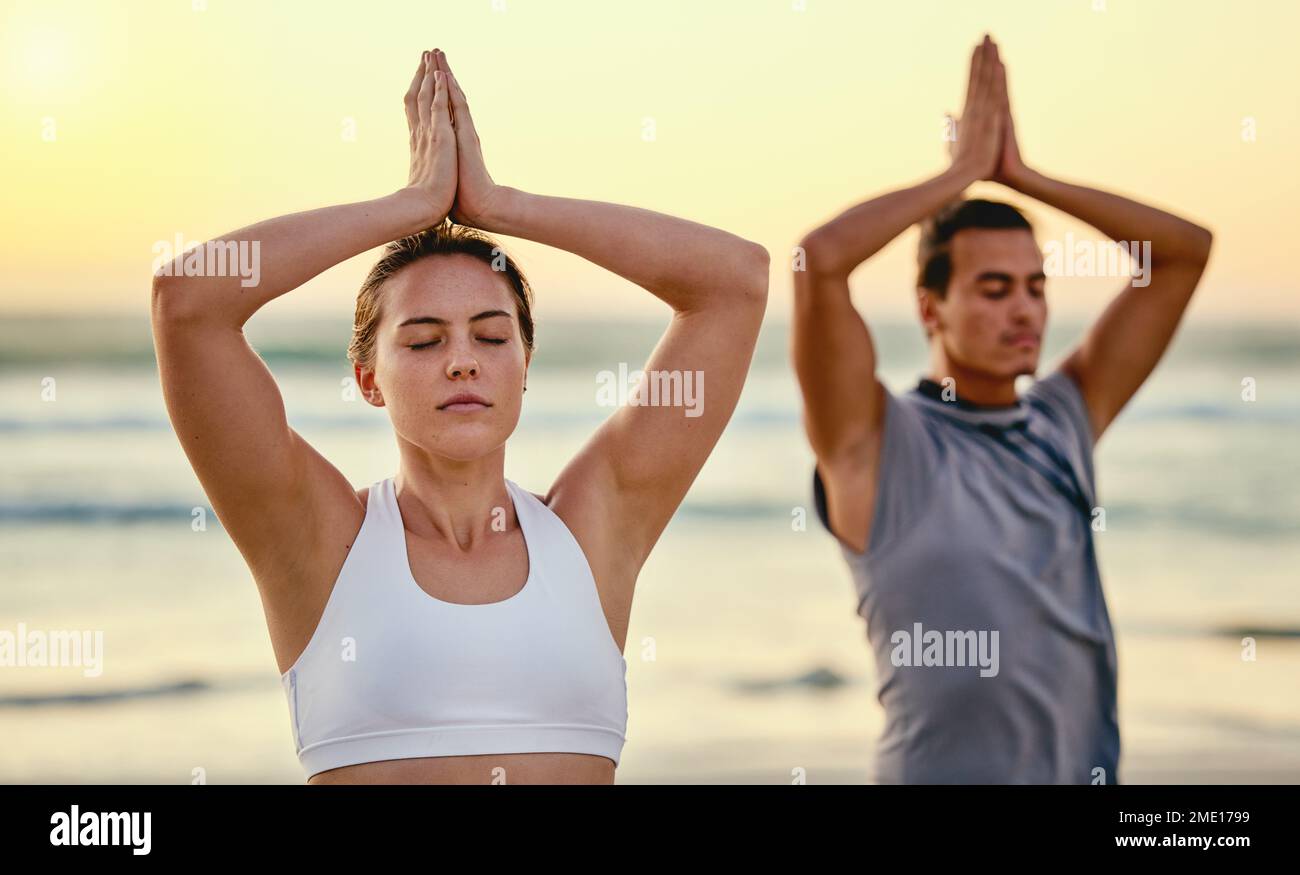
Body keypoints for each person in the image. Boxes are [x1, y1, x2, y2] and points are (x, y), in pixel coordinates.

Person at [150, 48, 769, 784]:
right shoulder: (320, 544)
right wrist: (410, 205)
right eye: (422, 339)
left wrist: (502, 206)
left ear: (525, 364)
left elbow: (737, 282)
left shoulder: (595, 531)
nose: (463, 360)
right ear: (367, 378)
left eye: (491, 334)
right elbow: (188, 302)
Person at [791, 35, 1212, 783]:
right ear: (931, 305)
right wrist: (957, 177)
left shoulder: (1063, 420)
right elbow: (819, 260)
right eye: (994, 289)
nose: (1024, 310)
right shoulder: (877, 442)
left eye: (1036, 286)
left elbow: (1183, 253)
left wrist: (1025, 177)